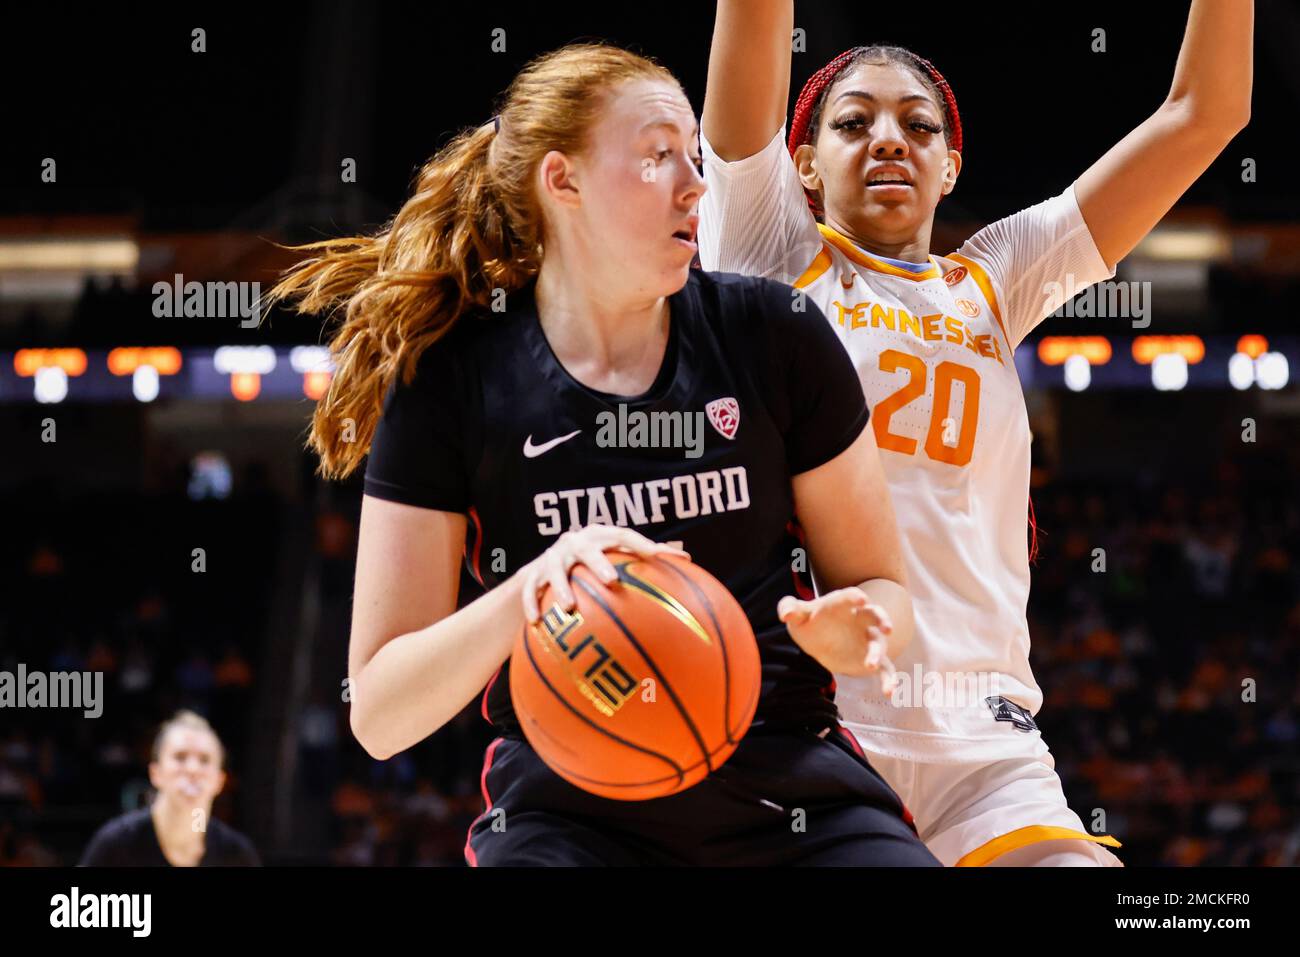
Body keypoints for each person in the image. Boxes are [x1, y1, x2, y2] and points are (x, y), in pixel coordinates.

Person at [266, 43, 938, 866]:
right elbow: (379, 712)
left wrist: (860, 630)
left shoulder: (775, 333)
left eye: (695, 156)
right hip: (567, 810)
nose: (696, 184)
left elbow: (883, 591)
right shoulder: (453, 381)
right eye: (660, 157)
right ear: (563, 181)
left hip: (785, 782)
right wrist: (535, 587)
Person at [698, 0, 1252, 866]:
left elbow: (1203, 115)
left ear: (951, 166)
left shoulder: (995, 280)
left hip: (987, 745)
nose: (889, 139)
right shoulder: (770, 252)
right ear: (801, 163)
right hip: (813, 726)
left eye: (919, 126)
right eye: (854, 123)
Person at [79, 710, 259, 866]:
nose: (192, 770)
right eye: (180, 757)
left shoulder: (236, 854)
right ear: (155, 773)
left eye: (204, 760)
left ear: (219, 781)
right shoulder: (115, 844)